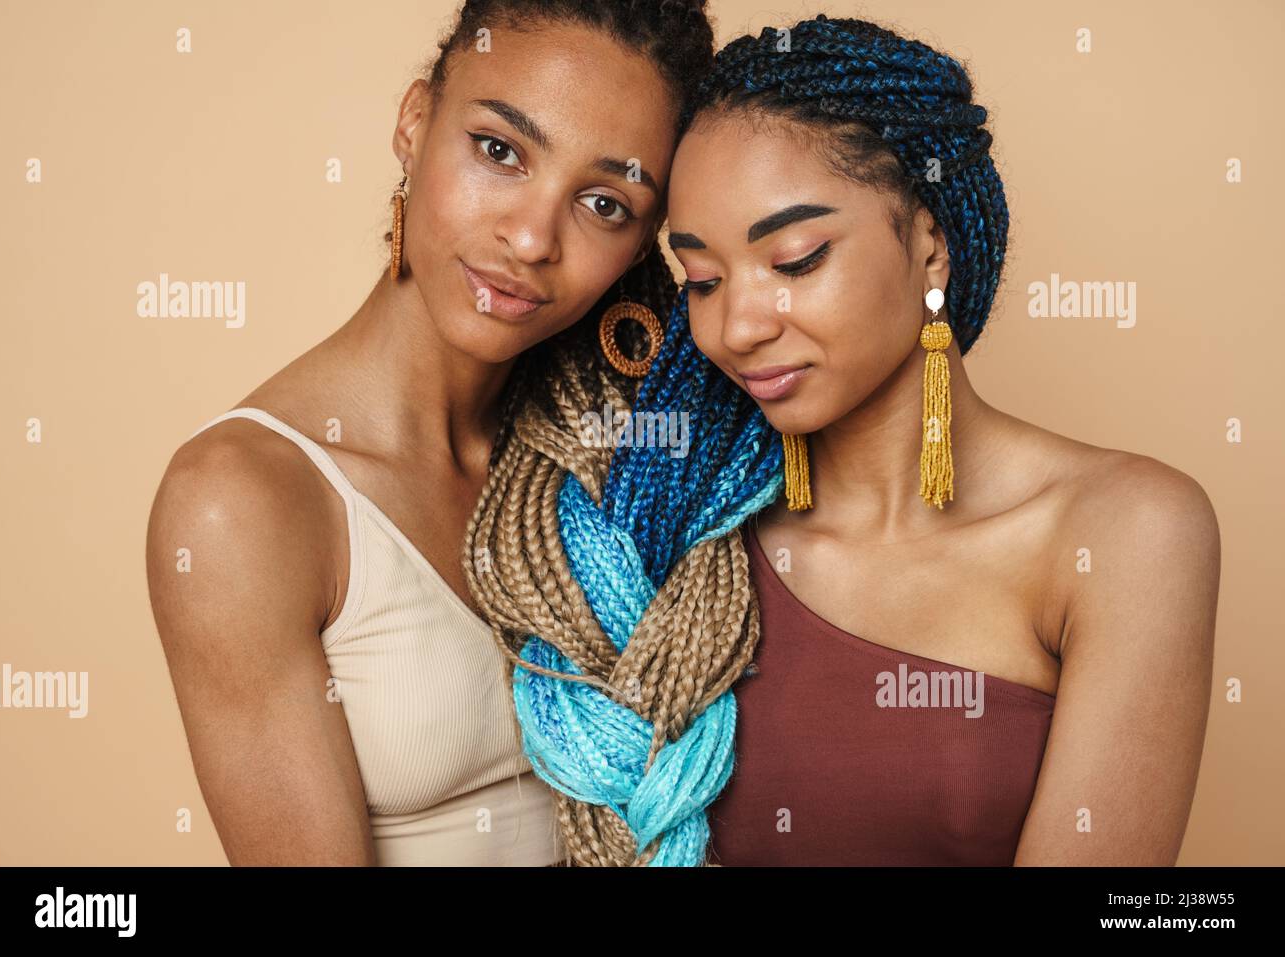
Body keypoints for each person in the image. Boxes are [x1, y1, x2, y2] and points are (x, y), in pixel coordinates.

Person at [466, 14, 1220, 867]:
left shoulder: (1124, 531)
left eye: (794, 260)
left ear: (929, 247)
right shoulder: (698, 548)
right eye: (703, 280)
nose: (738, 325)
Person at [145, 0, 715, 866]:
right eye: (499, 151)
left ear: (644, 241)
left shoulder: (620, 457)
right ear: (414, 124)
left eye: (603, 202)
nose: (530, 238)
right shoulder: (243, 500)